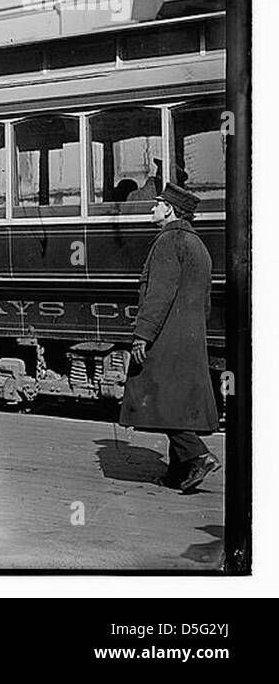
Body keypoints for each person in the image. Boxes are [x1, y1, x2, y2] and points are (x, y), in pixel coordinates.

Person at [119, 183, 220, 492]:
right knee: (175, 401)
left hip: (165, 336)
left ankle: (198, 455)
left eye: (157, 204)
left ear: (171, 210)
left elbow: (158, 295)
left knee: (154, 396)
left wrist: (142, 336)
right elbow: (205, 302)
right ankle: (179, 471)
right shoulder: (196, 244)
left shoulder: (168, 241)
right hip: (188, 336)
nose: (152, 209)